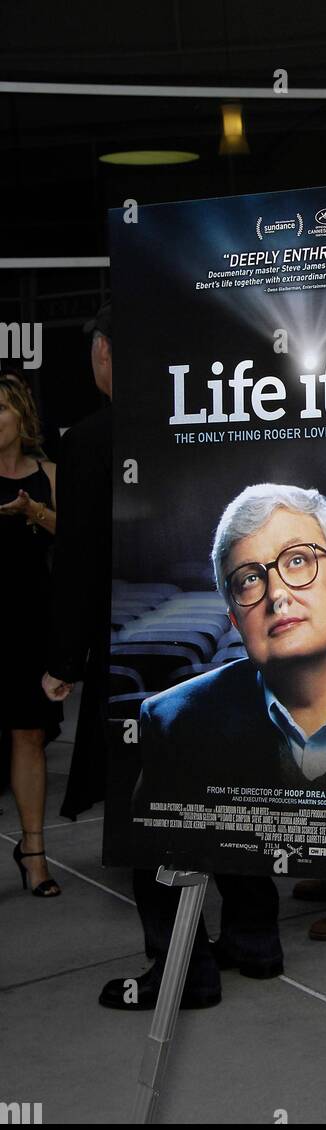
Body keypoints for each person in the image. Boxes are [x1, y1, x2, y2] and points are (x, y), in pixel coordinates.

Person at [101, 483, 326, 1009]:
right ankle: (203, 960)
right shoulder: (174, 717)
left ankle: (254, 938)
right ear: (236, 619)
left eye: (299, 561)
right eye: (249, 580)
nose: (277, 593)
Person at [41, 303, 113, 819]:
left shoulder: (88, 441)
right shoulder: (195, 421)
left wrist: (66, 658)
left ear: (104, 352)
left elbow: (79, 555)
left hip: (120, 644)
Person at [0, 373, 63, 896]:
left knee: (29, 735)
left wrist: (32, 511)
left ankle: (35, 853)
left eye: (0, 409)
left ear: (21, 417)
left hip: (30, 619)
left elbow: (77, 533)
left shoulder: (47, 473)